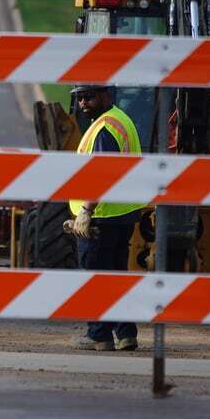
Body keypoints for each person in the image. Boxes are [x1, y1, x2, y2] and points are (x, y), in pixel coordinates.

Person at [64, 84, 145, 351]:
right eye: (79, 98)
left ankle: (99, 335)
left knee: (95, 277)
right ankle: (125, 333)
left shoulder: (105, 127)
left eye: (89, 97)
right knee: (116, 276)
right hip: (121, 214)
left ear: (105, 95)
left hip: (101, 216)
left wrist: (86, 211)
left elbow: (104, 173)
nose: (83, 103)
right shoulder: (121, 120)